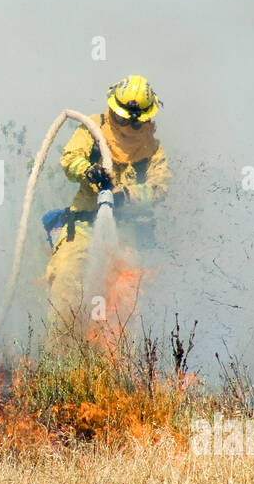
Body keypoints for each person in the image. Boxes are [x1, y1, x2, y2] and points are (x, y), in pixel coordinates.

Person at [45, 75, 171, 329]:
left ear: (145, 119)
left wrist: (127, 195)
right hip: (83, 228)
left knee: (124, 298)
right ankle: (60, 357)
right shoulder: (93, 128)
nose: (126, 126)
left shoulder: (153, 150)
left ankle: (112, 363)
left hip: (126, 236)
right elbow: (69, 159)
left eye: (133, 123)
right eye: (121, 118)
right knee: (67, 284)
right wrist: (87, 170)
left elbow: (160, 188)